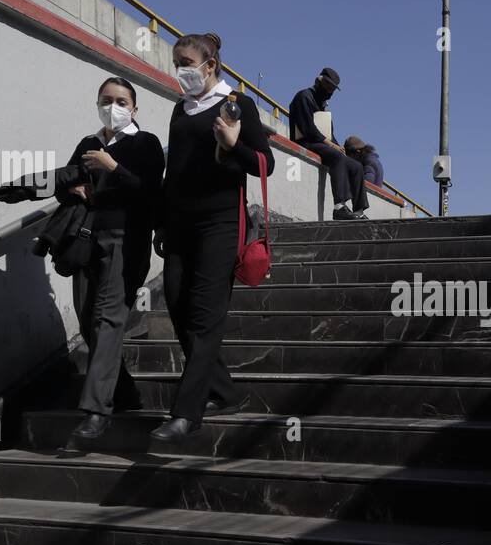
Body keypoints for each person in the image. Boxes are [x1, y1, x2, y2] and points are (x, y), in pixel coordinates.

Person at [150, 32, 275, 443]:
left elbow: (264, 164)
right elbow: (175, 170)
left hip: (220, 225)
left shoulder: (237, 105)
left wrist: (233, 146)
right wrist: (162, 223)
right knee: (178, 306)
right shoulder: (180, 110)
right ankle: (224, 391)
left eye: (186, 62)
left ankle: (187, 413)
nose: (181, 70)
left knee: (205, 317)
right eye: (176, 63)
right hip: (180, 225)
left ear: (211, 66)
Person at [59, 77, 165, 446]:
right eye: (107, 100)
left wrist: (112, 167)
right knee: (88, 320)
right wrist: (71, 187)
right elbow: (67, 178)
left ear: (134, 108)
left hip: (126, 241)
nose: (113, 106)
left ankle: (95, 411)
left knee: (107, 318)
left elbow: (152, 192)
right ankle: (125, 394)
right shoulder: (89, 144)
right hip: (87, 240)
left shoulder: (146, 143)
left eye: (122, 101)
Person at [289, 68, 368, 220]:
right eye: (328, 87)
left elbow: (329, 134)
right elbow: (308, 129)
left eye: (332, 89)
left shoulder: (322, 104)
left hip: (321, 144)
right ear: (320, 82)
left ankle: (359, 210)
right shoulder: (303, 97)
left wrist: (338, 146)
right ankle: (339, 206)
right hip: (306, 142)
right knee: (337, 156)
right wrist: (332, 145)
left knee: (356, 166)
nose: (330, 92)